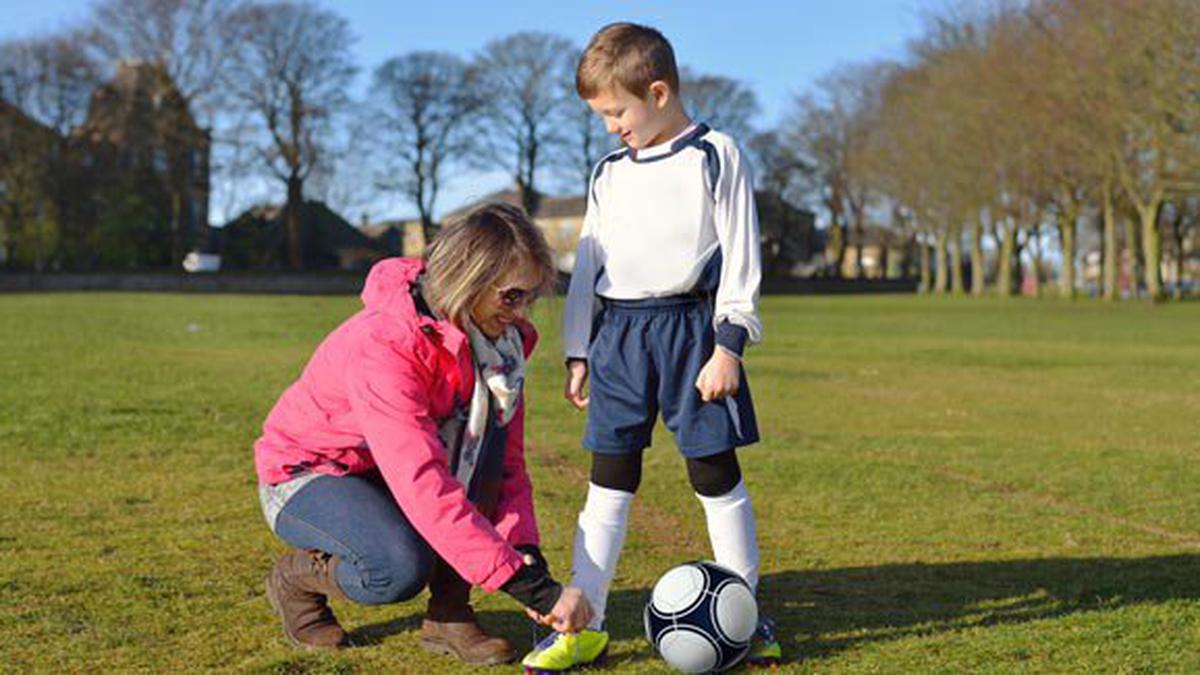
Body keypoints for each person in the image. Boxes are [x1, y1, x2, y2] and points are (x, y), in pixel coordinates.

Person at [519, 22, 781, 672]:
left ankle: (743, 615)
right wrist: (578, 349)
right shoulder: (607, 172)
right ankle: (585, 622)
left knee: (713, 473)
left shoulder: (716, 154)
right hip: (620, 339)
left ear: (658, 91)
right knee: (608, 479)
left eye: (616, 112)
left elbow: (741, 260)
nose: (611, 127)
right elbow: (588, 266)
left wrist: (730, 346)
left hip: (694, 332)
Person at [254, 203, 593, 666]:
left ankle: (449, 616)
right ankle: (295, 578)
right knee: (395, 568)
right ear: (466, 279)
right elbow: (422, 482)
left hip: (384, 473)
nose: (521, 314)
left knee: (485, 449)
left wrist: (526, 557)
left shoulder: (500, 352)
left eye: (530, 298)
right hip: (306, 473)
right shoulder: (386, 344)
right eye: (511, 296)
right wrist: (530, 588)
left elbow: (506, 465)